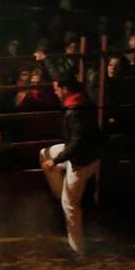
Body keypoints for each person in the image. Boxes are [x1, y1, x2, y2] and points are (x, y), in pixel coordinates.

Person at [39, 75, 102, 257]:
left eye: (57, 88)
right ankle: (60, 193)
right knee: (45, 153)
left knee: (70, 205)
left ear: (65, 89)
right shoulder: (80, 99)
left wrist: (56, 161)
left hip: (81, 161)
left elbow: (77, 144)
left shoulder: (74, 111)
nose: (55, 91)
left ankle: (77, 249)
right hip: (90, 155)